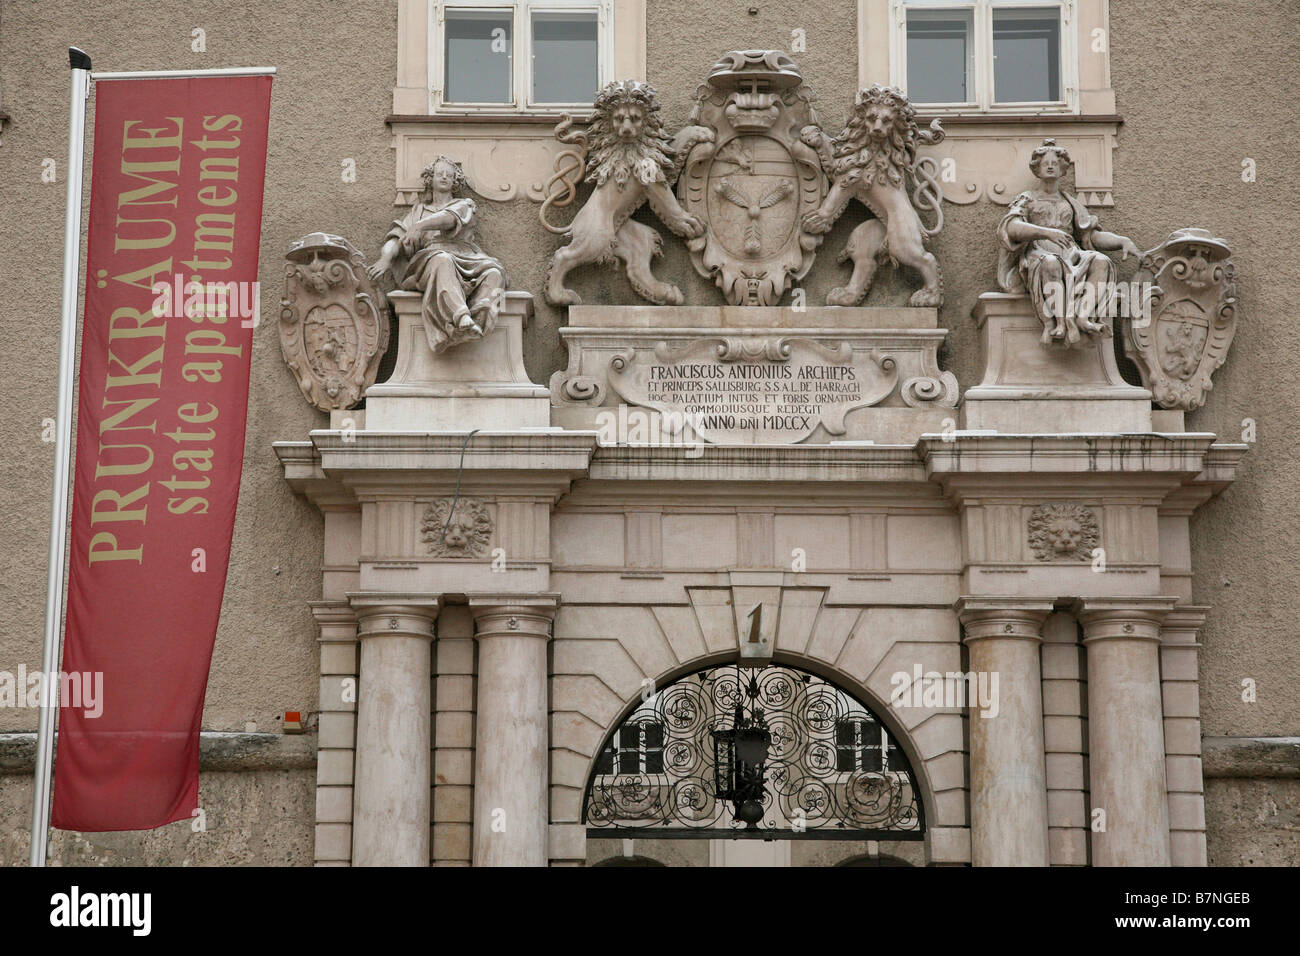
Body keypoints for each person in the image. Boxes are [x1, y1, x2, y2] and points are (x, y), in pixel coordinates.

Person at [998, 139, 1141, 345]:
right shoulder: (1028, 198)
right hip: (1040, 253)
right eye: (1045, 163)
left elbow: (1090, 236)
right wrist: (1046, 233)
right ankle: (1056, 324)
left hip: (1071, 254)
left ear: (1062, 169)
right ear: (1036, 169)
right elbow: (1011, 228)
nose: (1050, 166)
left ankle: (1083, 317)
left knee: (1101, 261)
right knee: (1050, 263)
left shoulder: (1069, 202)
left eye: (1054, 163)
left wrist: (1121, 241)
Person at [367, 155, 507, 352]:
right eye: (439, 173)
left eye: (449, 175)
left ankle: (477, 319)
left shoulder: (464, 205)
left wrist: (419, 227)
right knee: (442, 260)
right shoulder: (419, 211)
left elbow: (449, 219)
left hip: (469, 257)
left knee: (495, 273)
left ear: (454, 182)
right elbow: (396, 238)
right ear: (430, 178)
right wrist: (385, 259)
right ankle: (460, 317)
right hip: (431, 258)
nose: (444, 177)